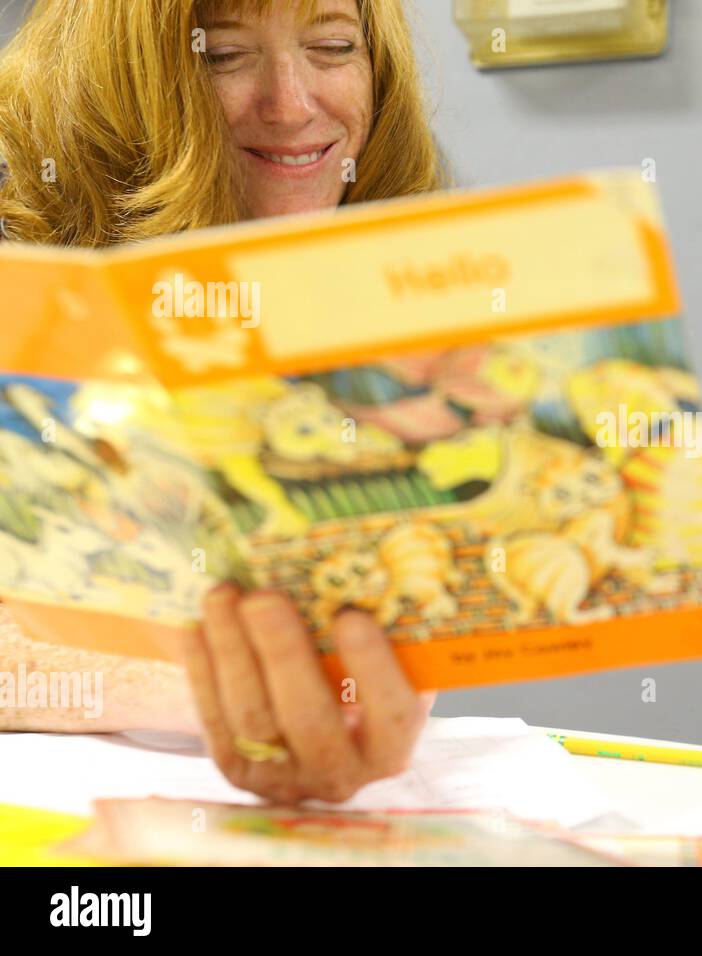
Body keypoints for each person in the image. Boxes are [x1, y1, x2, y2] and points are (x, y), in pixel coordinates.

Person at [0, 0, 441, 805]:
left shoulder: (378, 313)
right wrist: (206, 682)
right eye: (223, 55)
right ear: (115, 88)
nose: (293, 104)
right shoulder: (21, 295)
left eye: (334, 46)